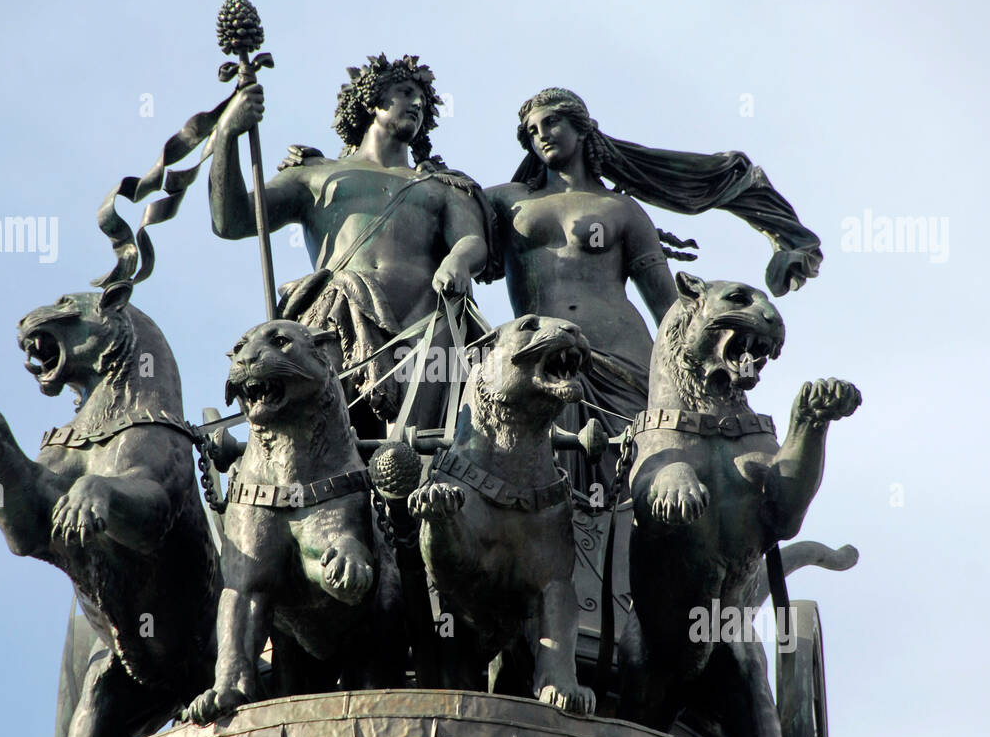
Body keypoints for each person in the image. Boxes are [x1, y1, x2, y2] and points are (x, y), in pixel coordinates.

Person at [486, 88, 822, 495]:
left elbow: (668, 305)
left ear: (582, 128)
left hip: (622, 357)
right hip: (541, 358)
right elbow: (447, 225)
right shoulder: (507, 201)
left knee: (637, 474)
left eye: (552, 122)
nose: (542, 134)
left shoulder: (623, 210)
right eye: (532, 130)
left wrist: (717, 345)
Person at [209, 54, 496, 437]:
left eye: (423, 102)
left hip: (424, 322)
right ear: (372, 101)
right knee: (323, 440)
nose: (416, 104)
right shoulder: (315, 175)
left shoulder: (440, 184)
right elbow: (232, 221)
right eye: (404, 93)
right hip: (336, 321)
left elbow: (471, 240)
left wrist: (459, 259)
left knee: (420, 445)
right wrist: (228, 135)